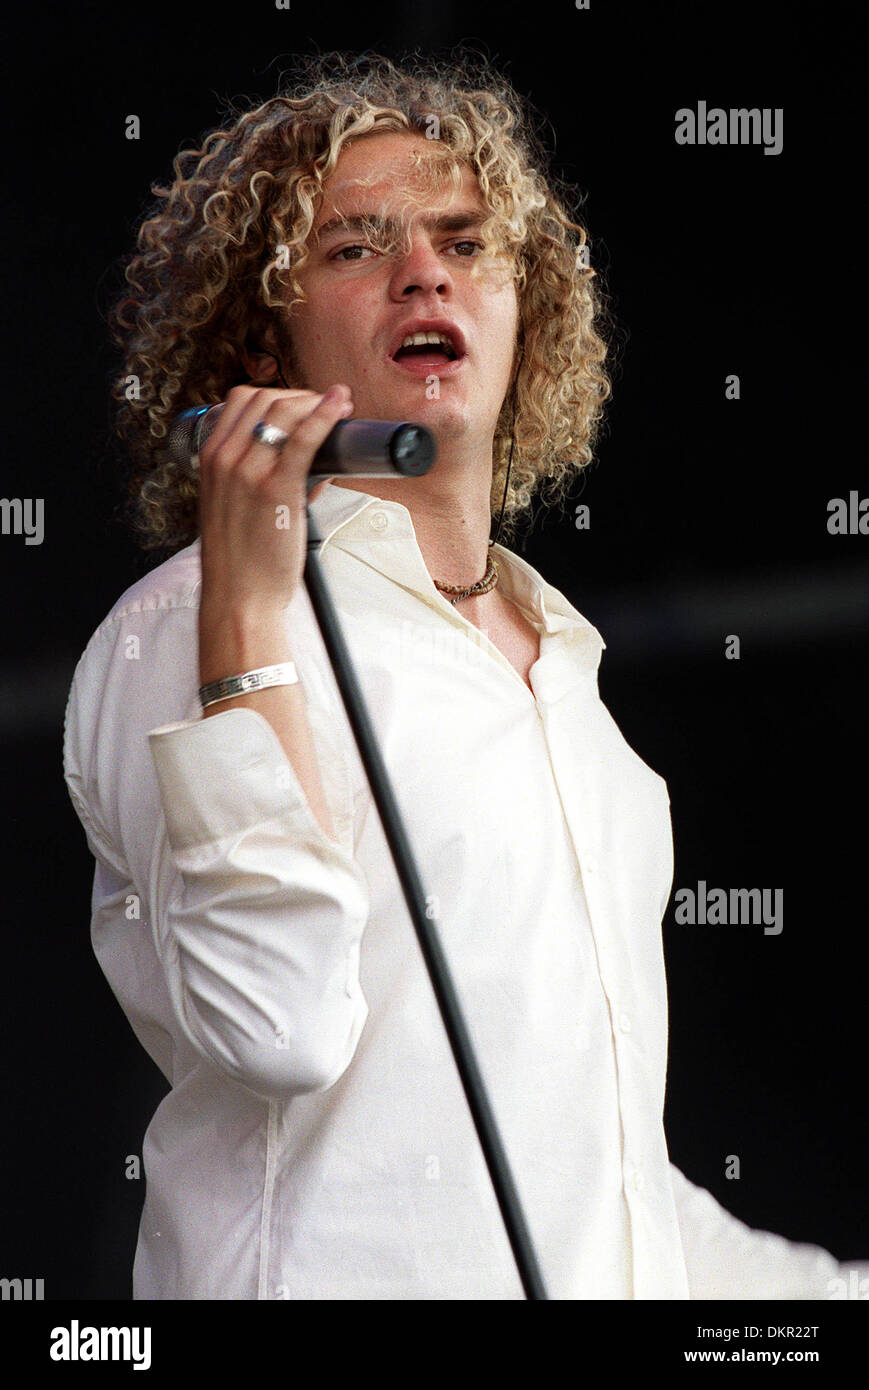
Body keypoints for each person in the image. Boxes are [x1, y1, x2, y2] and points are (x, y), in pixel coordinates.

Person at [63, 52, 864, 1299]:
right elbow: (273, 1025)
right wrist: (243, 616)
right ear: (263, 322)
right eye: (353, 248)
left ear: (521, 306)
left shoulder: (562, 676)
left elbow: (601, 1187)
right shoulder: (183, 624)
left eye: (462, 240)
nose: (421, 270)